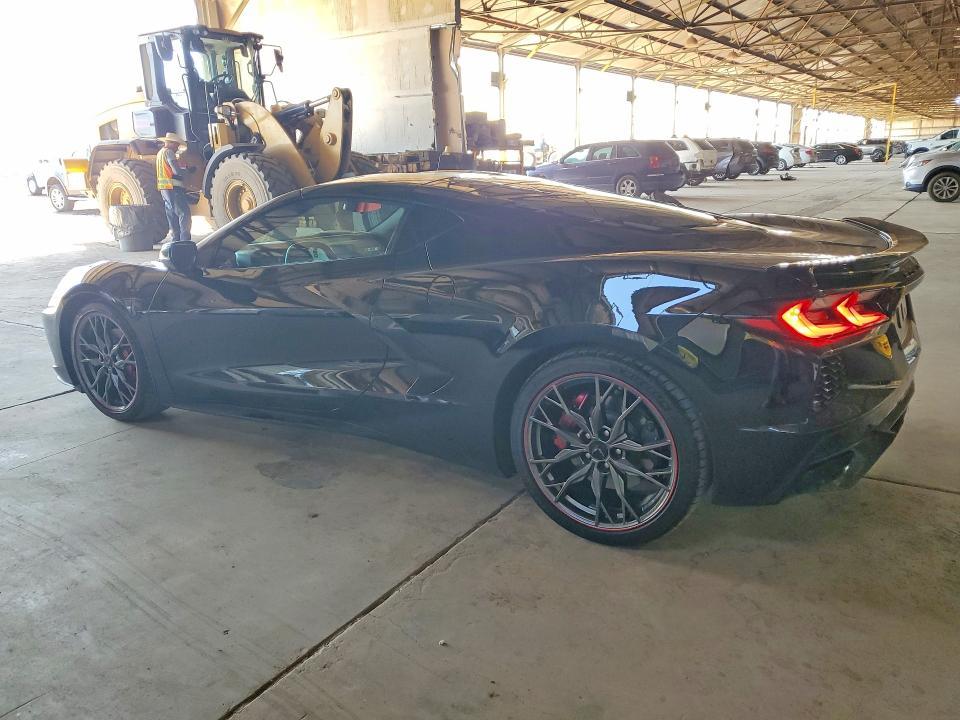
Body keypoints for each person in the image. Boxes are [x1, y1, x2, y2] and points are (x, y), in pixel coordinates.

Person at [156, 133, 192, 242]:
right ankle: (185, 241)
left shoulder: (160, 153)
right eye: (176, 145)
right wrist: (187, 171)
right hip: (174, 188)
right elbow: (176, 171)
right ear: (170, 143)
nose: (177, 148)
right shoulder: (169, 152)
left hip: (164, 189)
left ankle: (175, 241)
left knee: (172, 215)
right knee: (184, 214)